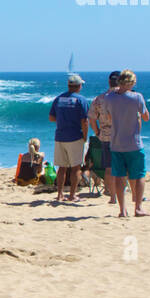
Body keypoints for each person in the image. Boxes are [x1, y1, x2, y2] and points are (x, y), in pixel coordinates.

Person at [105, 70, 150, 217]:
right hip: (134, 143)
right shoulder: (137, 97)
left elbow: (109, 116)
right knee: (139, 175)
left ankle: (122, 209)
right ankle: (138, 207)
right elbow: (146, 117)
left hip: (117, 143)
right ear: (130, 83)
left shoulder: (109, 98)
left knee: (119, 177)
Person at [49, 73, 90, 203]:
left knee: (62, 167)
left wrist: (63, 121)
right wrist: (84, 136)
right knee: (76, 167)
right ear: (78, 86)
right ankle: (72, 195)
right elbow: (85, 121)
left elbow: (51, 117)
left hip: (60, 136)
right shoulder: (81, 100)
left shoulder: (59, 99)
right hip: (74, 136)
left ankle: (60, 194)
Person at [88, 71, 121, 203]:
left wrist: (97, 132)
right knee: (124, 165)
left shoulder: (99, 99)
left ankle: (109, 192)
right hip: (122, 135)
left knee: (108, 166)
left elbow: (91, 118)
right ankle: (121, 192)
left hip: (106, 136)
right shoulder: (126, 97)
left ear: (109, 82)